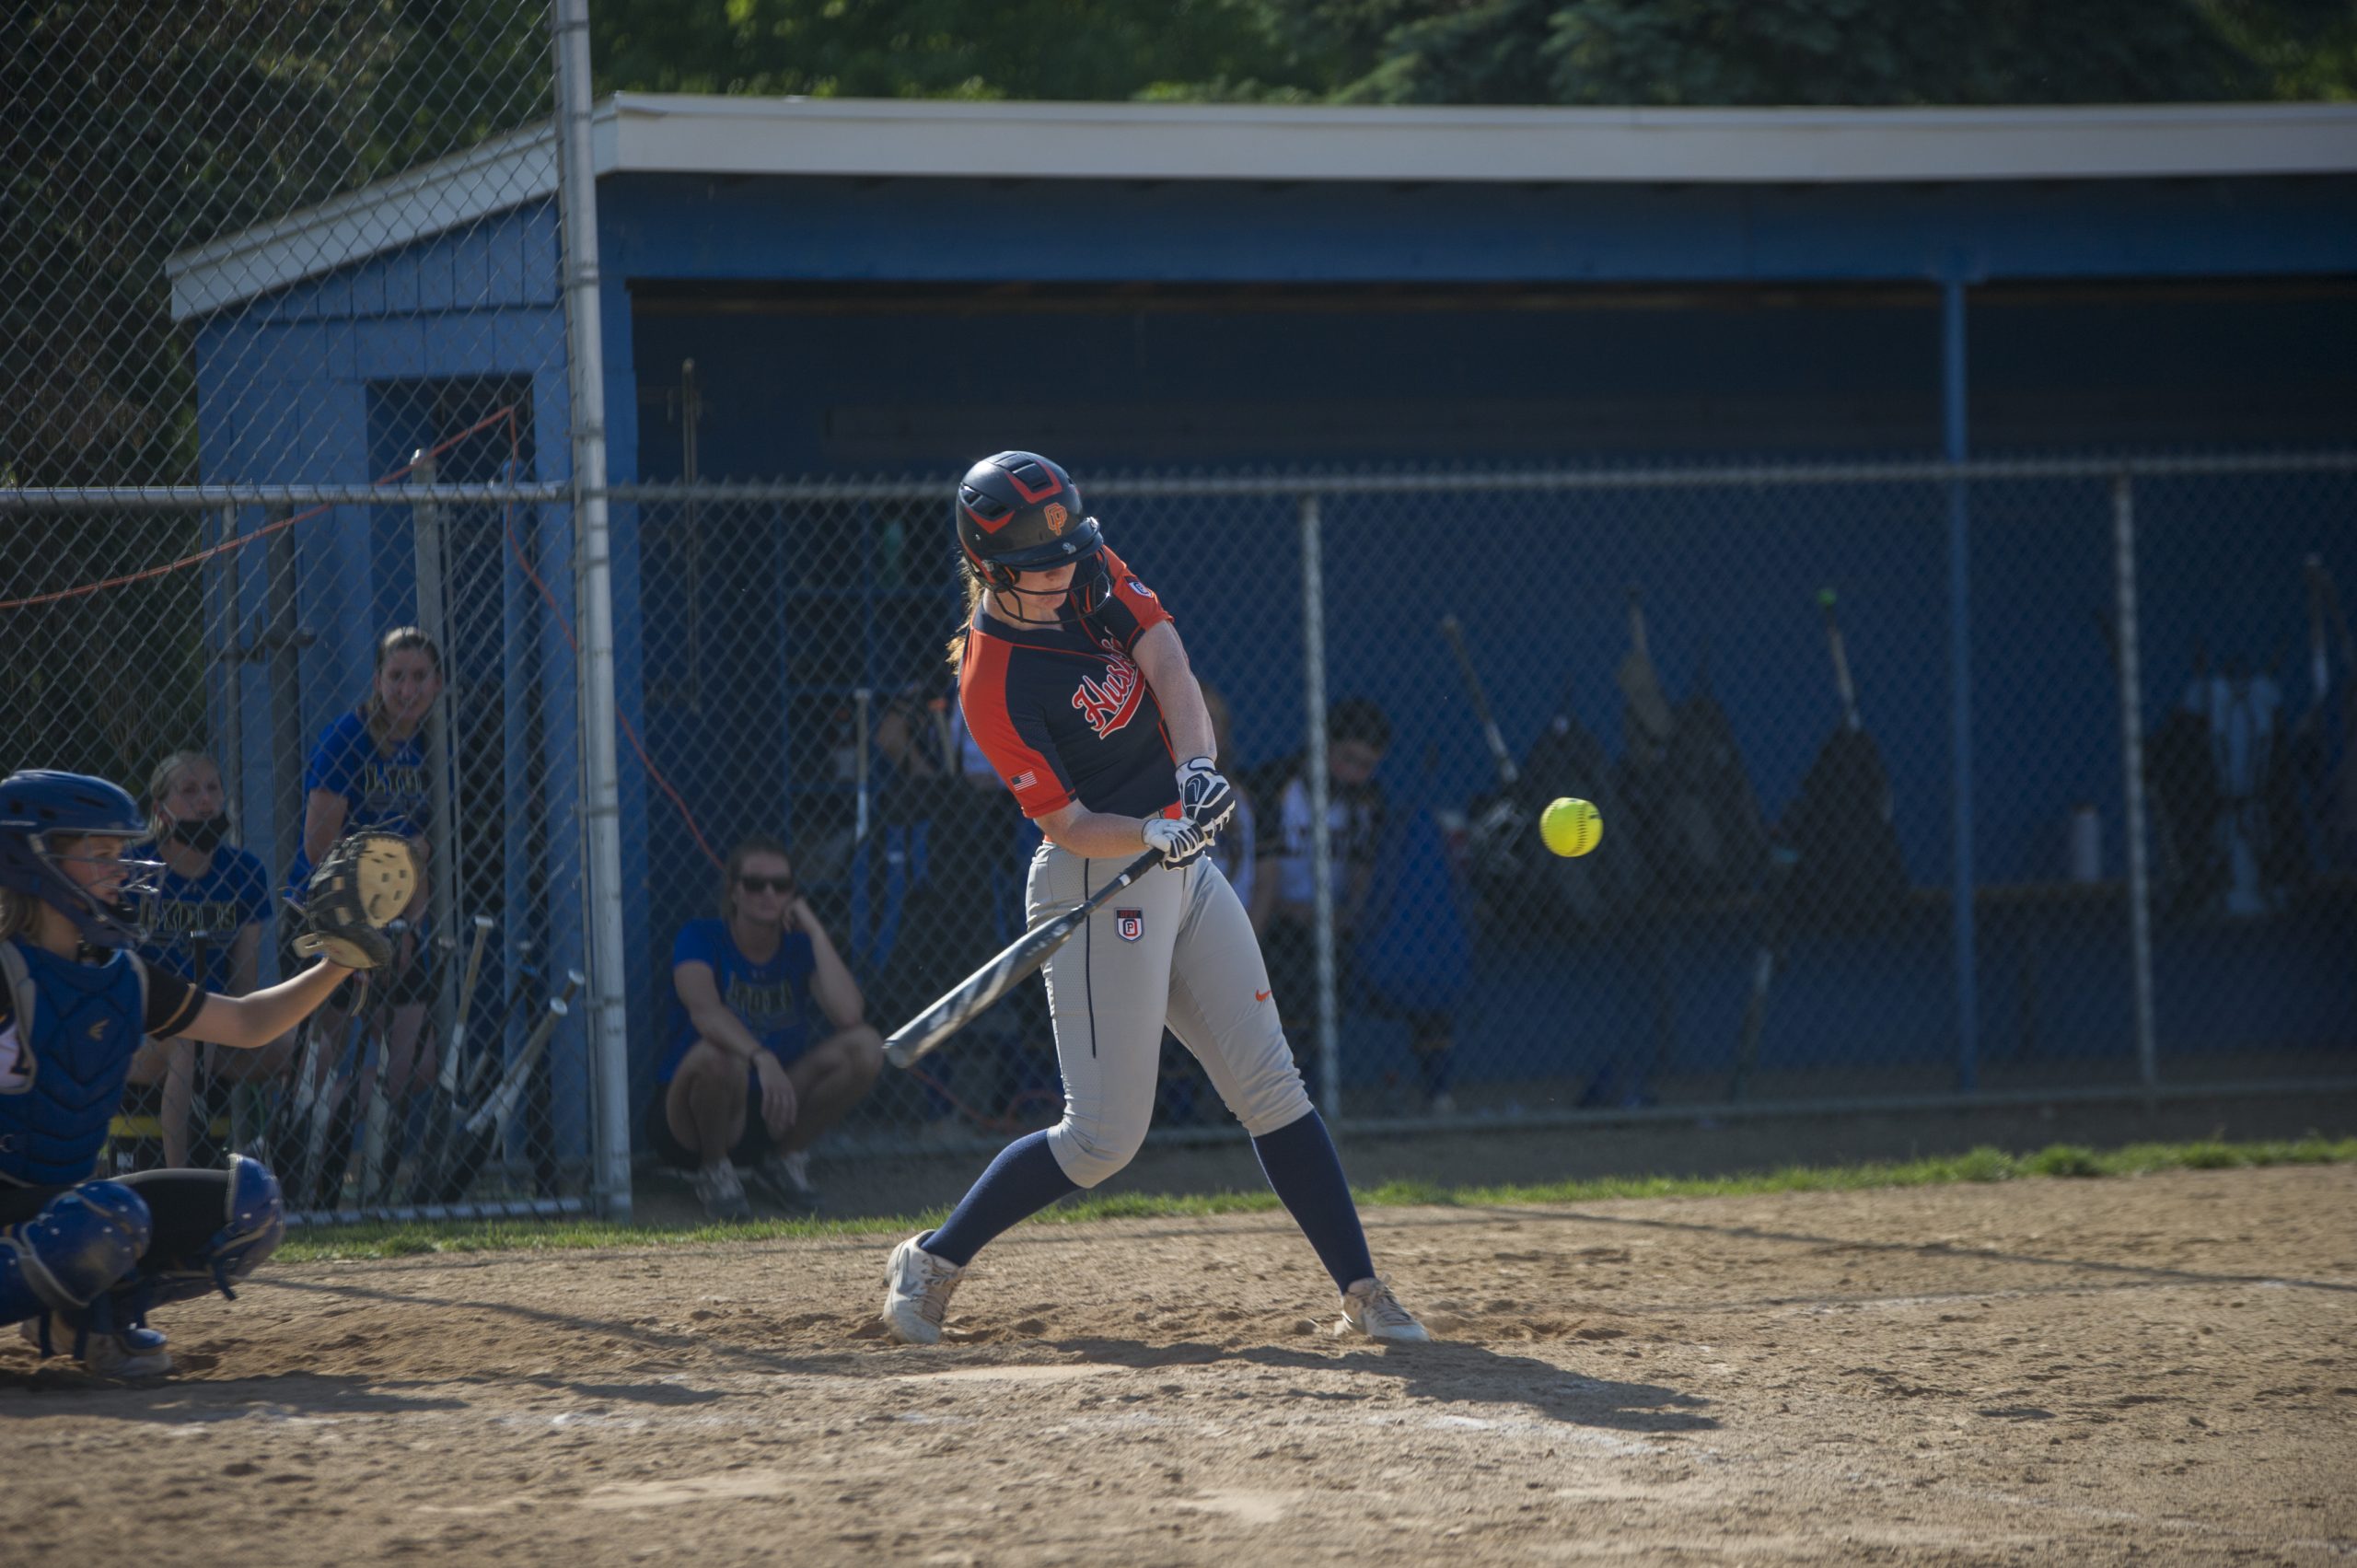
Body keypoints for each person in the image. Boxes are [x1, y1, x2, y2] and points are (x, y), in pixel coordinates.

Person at [877, 450, 1428, 1346]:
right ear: (987, 566)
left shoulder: (1086, 565)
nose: (1061, 576)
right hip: (1096, 879)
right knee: (1102, 1138)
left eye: (1066, 557)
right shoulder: (991, 679)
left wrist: (1198, 765)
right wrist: (1144, 832)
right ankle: (932, 1258)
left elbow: (1166, 659)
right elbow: (1064, 821)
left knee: (1270, 1083)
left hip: (1180, 861)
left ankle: (1364, 1291)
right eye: (1036, 567)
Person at [1, 770, 387, 1376]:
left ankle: (83, 1315)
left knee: (249, 1207)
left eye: (119, 852)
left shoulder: (121, 975)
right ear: (32, 859)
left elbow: (248, 1021)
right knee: (105, 1217)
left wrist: (336, 963)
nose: (121, 868)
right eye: (98, 853)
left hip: (62, 1211)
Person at [276, 625, 442, 1204]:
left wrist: (411, 929)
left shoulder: (428, 745)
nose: (407, 689)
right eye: (396, 676)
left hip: (395, 918)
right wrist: (363, 930)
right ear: (377, 680)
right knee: (321, 1052)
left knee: (413, 1064)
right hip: (329, 909)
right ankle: (301, 1180)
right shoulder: (348, 738)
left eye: (420, 677)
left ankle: (356, 1155)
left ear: (437, 685)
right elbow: (320, 846)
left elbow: (418, 849)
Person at [651, 834, 883, 1220]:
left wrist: (815, 931)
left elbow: (848, 1016)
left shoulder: (798, 946)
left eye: (781, 885)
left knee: (866, 1047)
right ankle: (714, 1170)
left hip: (775, 1107)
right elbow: (705, 1012)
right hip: (697, 1112)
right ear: (734, 892)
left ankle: (781, 1161)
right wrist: (762, 1059)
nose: (768, 894)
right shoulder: (701, 937)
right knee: (719, 1057)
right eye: (755, 884)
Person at [1257, 697, 1460, 1114]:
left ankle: (1440, 1095)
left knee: (1422, 969)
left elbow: (1365, 880)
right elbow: (1263, 879)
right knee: (1294, 972)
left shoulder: (1369, 799)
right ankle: (1296, 1102)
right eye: (1346, 759)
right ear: (1323, 745)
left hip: (1340, 926)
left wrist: (1348, 917)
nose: (1354, 774)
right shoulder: (1278, 785)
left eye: (1366, 765)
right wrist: (1299, 913)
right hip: (1281, 920)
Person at [121, 750, 273, 1169]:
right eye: (189, 791)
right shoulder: (133, 874)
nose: (205, 801)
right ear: (160, 809)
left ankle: (287, 1168)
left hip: (219, 1029)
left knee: (296, 1044)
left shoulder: (245, 873)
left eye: (212, 788)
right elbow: (120, 983)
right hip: (144, 1033)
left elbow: (245, 988)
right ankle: (182, 1179)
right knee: (184, 1041)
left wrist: (219, 1027)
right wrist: (191, 1024)